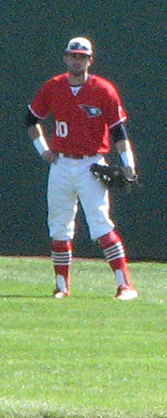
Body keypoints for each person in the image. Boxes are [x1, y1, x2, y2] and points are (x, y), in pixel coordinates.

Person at [26, 36, 140, 300]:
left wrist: (128, 165)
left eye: (82, 56)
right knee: (59, 226)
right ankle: (62, 287)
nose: (77, 60)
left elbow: (119, 132)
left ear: (90, 59)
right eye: (72, 55)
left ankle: (126, 286)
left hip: (92, 163)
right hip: (62, 163)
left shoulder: (104, 89)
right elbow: (31, 119)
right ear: (66, 57)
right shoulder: (53, 86)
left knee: (100, 224)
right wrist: (43, 149)